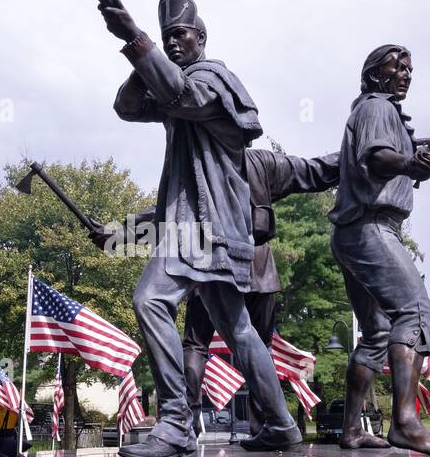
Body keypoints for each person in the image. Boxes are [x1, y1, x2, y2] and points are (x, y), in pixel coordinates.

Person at [101, 0, 303, 457]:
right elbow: (127, 107)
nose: (174, 42)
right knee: (238, 330)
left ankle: (174, 422)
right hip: (198, 227)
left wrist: (138, 39)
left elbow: (179, 93)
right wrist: (139, 50)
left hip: (204, 227)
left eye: (182, 34)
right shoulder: (174, 86)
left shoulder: (213, 81)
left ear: (203, 38)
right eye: (168, 36)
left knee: (150, 300)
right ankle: (279, 424)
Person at [97, 148, 340, 435]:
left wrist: (119, 233)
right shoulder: (260, 162)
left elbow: (166, 214)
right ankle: (266, 423)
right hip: (258, 269)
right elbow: (314, 171)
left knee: (197, 346)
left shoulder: (202, 162)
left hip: (211, 266)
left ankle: (186, 421)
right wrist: (361, 157)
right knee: (257, 345)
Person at [328, 44, 430, 455]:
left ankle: (352, 429)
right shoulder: (376, 108)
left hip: (355, 232)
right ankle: (406, 422)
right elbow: (377, 157)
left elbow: (383, 161)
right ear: (374, 75)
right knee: (416, 310)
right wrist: (407, 163)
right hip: (371, 228)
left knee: (376, 334)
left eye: (409, 68)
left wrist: (410, 163)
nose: (405, 73)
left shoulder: (377, 113)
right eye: (397, 66)